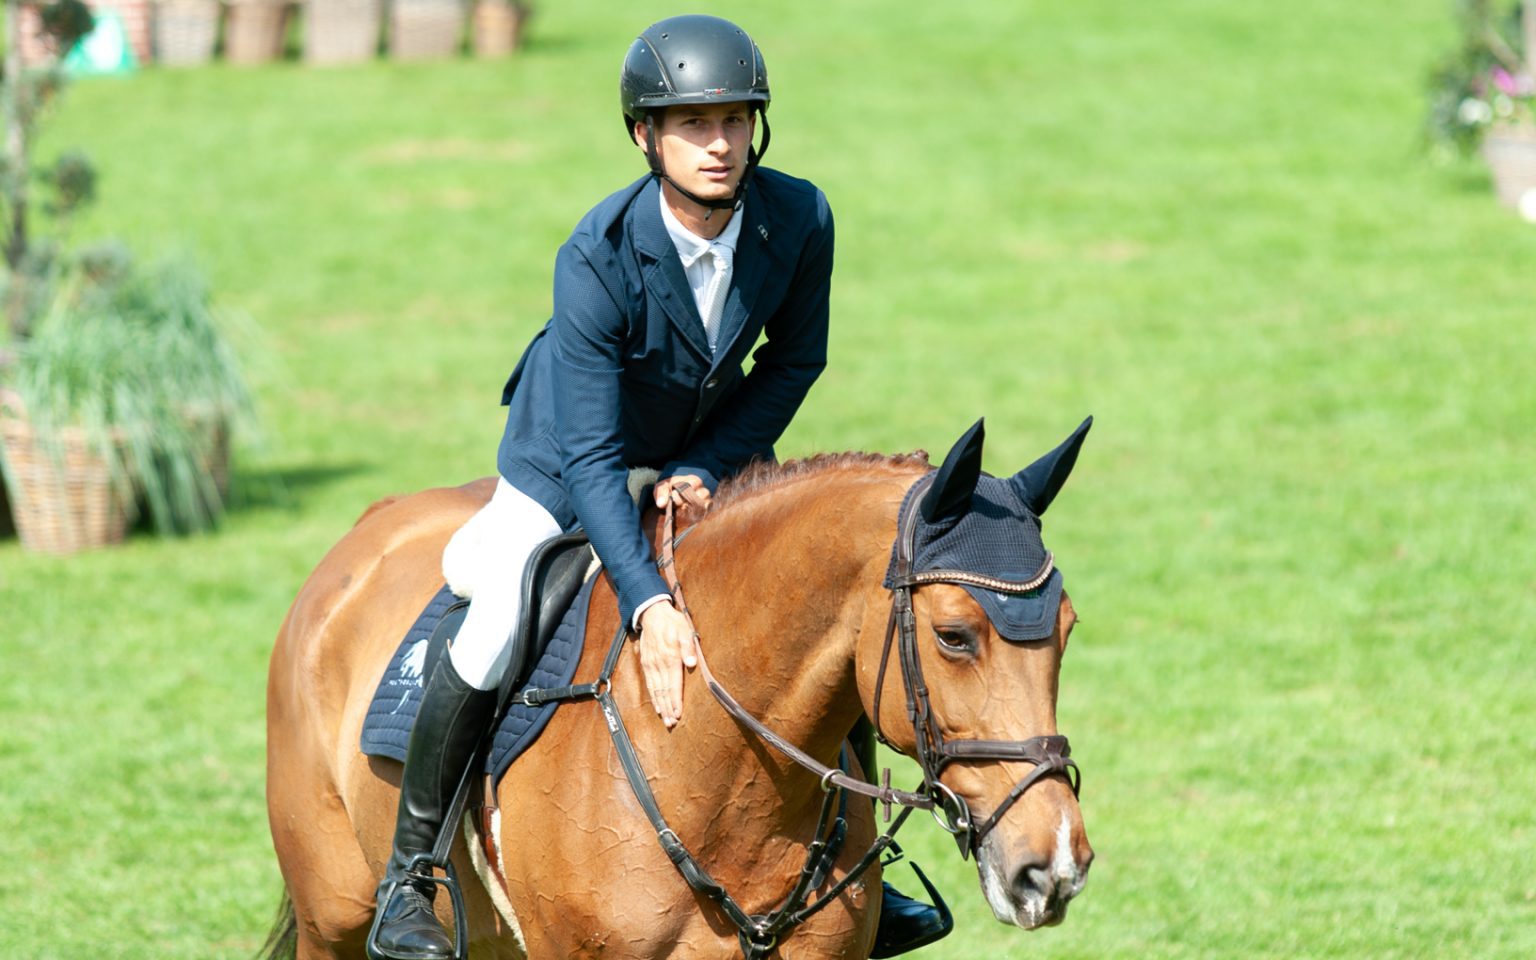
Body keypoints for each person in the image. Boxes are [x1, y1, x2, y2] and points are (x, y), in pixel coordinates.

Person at [367, 15, 949, 960]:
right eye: (692, 124)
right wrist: (646, 602)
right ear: (645, 136)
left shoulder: (798, 217)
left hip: (692, 458)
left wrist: (706, 465)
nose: (718, 144)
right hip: (566, 462)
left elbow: (796, 361)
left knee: (810, 609)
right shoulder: (595, 254)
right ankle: (411, 876)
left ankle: (856, 877)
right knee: (498, 610)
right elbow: (594, 460)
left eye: (734, 120)